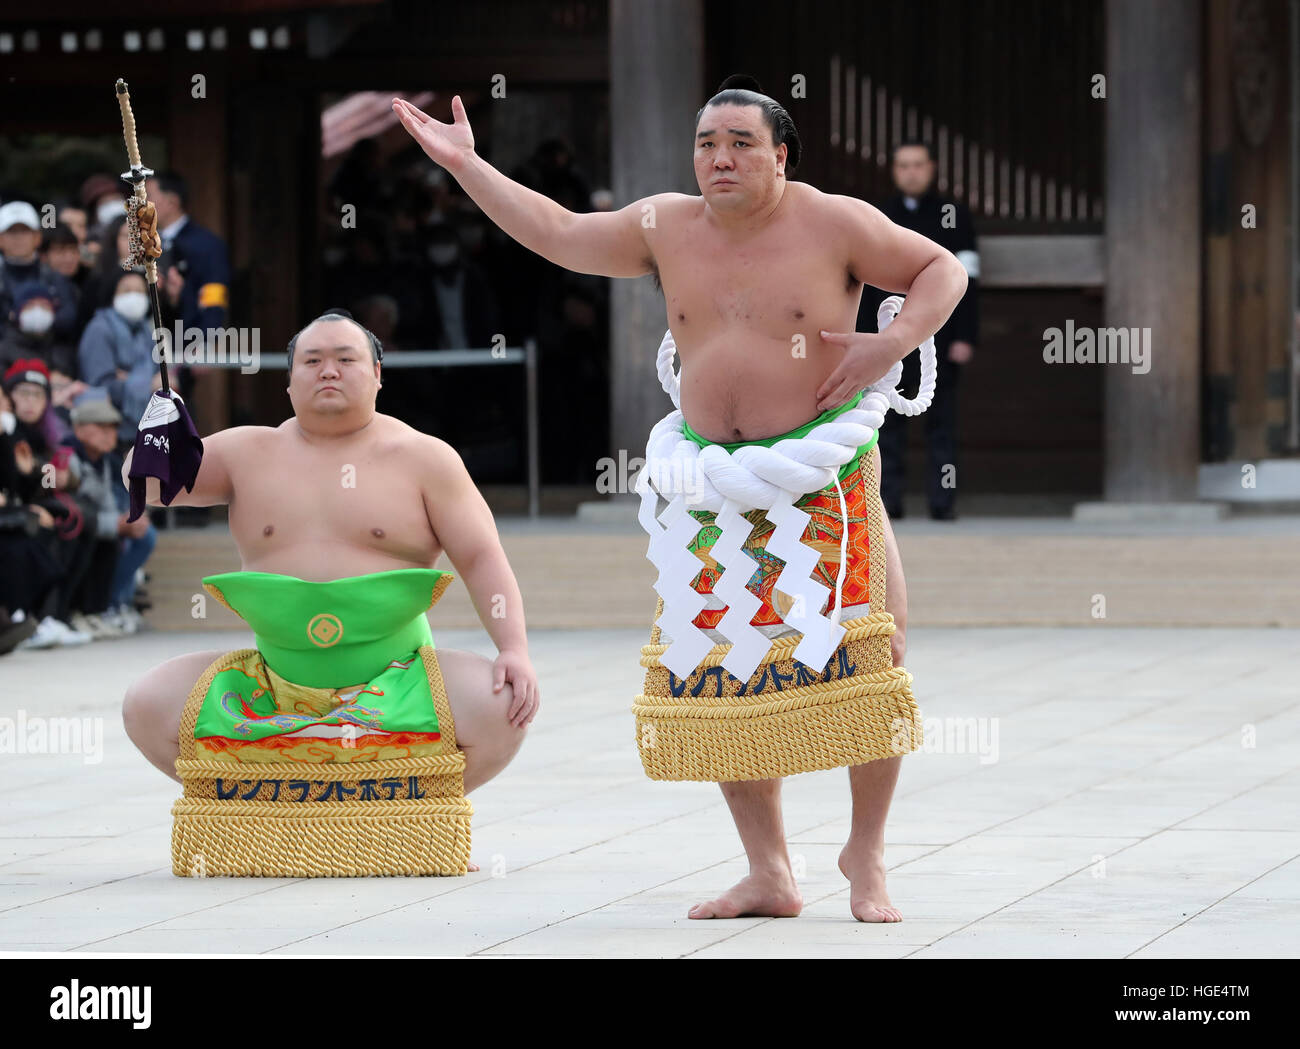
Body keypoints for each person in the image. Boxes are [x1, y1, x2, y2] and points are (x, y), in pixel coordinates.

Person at [393, 76, 967, 921]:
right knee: (722, 665)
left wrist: (895, 340)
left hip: (823, 475)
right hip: (710, 483)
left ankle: (866, 854)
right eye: (706, 142)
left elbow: (938, 268)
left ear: (781, 153)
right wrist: (469, 166)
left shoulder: (833, 221)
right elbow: (557, 233)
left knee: (873, 653)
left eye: (740, 141)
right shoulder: (664, 224)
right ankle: (769, 870)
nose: (720, 157)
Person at [119, 310, 539, 823]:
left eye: (346, 359)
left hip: (397, 678)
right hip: (273, 682)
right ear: (289, 382)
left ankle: (410, 812)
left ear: (378, 375)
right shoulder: (246, 451)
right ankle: (265, 810)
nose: (329, 371)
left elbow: (481, 557)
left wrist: (513, 648)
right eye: (312, 360)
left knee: (502, 707)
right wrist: (159, 431)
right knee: (146, 704)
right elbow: (149, 485)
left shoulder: (425, 458)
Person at [857, 140, 980, 520]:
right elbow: (863, 284)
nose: (911, 172)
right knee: (885, 423)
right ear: (894, 170)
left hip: (940, 337)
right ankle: (887, 502)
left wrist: (965, 335)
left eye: (918, 165)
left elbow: (968, 279)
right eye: (903, 165)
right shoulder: (877, 216)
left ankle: (942, 504)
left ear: (931, 168)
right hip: (885, 336)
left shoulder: (954, 215)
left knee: (941, 422)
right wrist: (865, 338)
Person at [78, 269, 160, 447]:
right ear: (113, 295)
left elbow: (160, 378)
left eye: (139, 291)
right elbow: (100, 384)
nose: (134, 296)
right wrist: (146, 385)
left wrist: (128, 379)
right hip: (110, 429)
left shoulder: (146, 332)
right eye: (126, 290)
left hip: (146, 430)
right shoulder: (99, 330)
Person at [0, 201, 80, 343]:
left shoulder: (56, 278)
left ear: (37, 237)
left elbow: (69, 318)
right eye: (12, 232)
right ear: (1, 239)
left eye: (25, 231)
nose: (18, 238)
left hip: (52, 357)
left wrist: (17, 318)